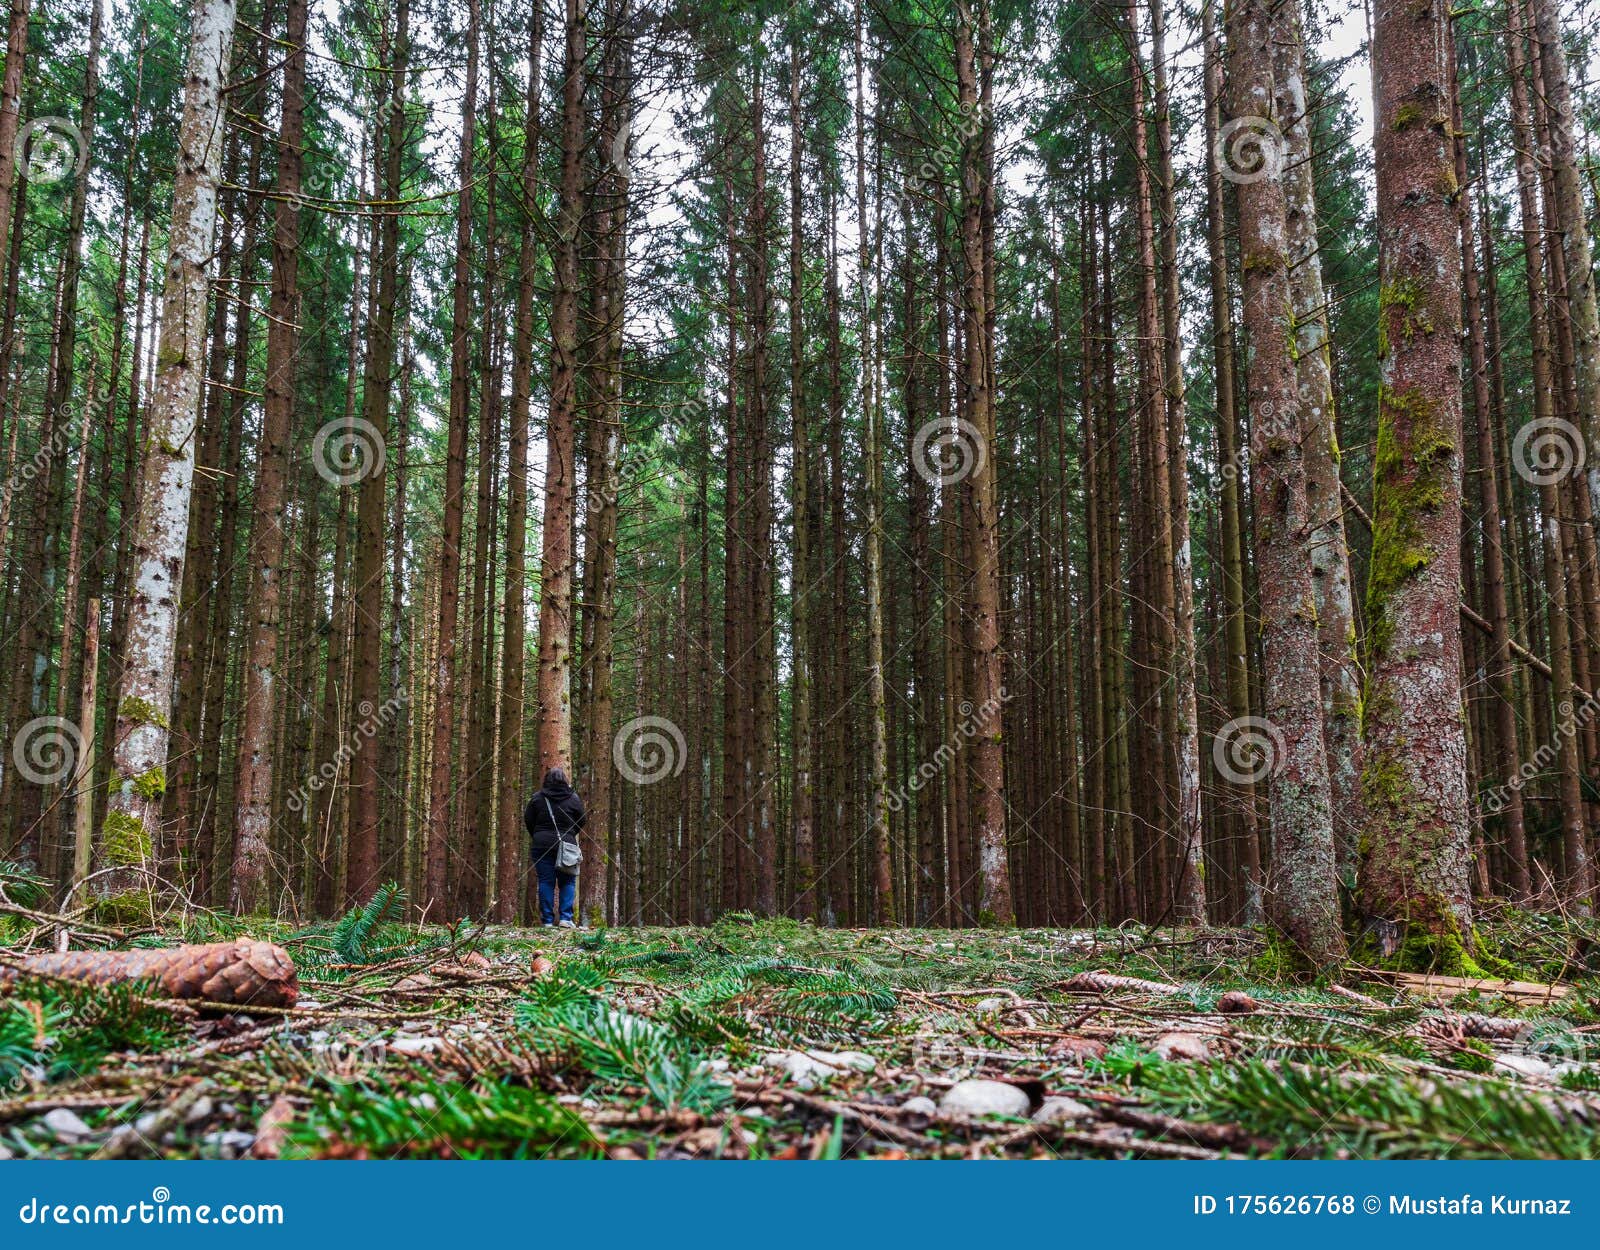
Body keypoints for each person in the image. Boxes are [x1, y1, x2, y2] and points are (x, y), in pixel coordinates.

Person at [525, 766, 585, 927]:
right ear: (565, 780)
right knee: (568, 881)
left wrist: (538, 835)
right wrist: (570, 834)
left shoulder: (537, 798)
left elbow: (528, 820)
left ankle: (548, 921)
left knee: (546, 881)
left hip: (541, 845)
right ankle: (566, 918)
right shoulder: (573, 798)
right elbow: (581, 820)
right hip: (567, 845)